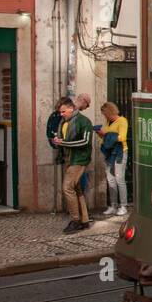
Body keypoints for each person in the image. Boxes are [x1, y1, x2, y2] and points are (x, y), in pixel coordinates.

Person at [51, 97, 94, 233]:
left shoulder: (84, 121)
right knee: (76, 190)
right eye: (60, 112)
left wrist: (63, 143)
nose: (61, 114)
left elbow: (85, 142)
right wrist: (59, 140)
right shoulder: (65, 122)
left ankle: (75, 220)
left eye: (63, 111)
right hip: (69, 159)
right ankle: (84, 220)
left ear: (71, 108)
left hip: (79, 160)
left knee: (67, 188)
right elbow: (67, 140)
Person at [96, 101, 129, 218]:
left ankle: (123, 206)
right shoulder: (107, 121)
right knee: (110, 179)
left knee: (120, 178)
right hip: (109, 153)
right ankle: (113, 205)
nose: (104, 116)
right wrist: (101, 134)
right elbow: (105, 135)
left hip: (120, 152)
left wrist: (107, 135)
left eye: (105, 113)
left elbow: (122, 137)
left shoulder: (122, 121)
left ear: (109, 112)